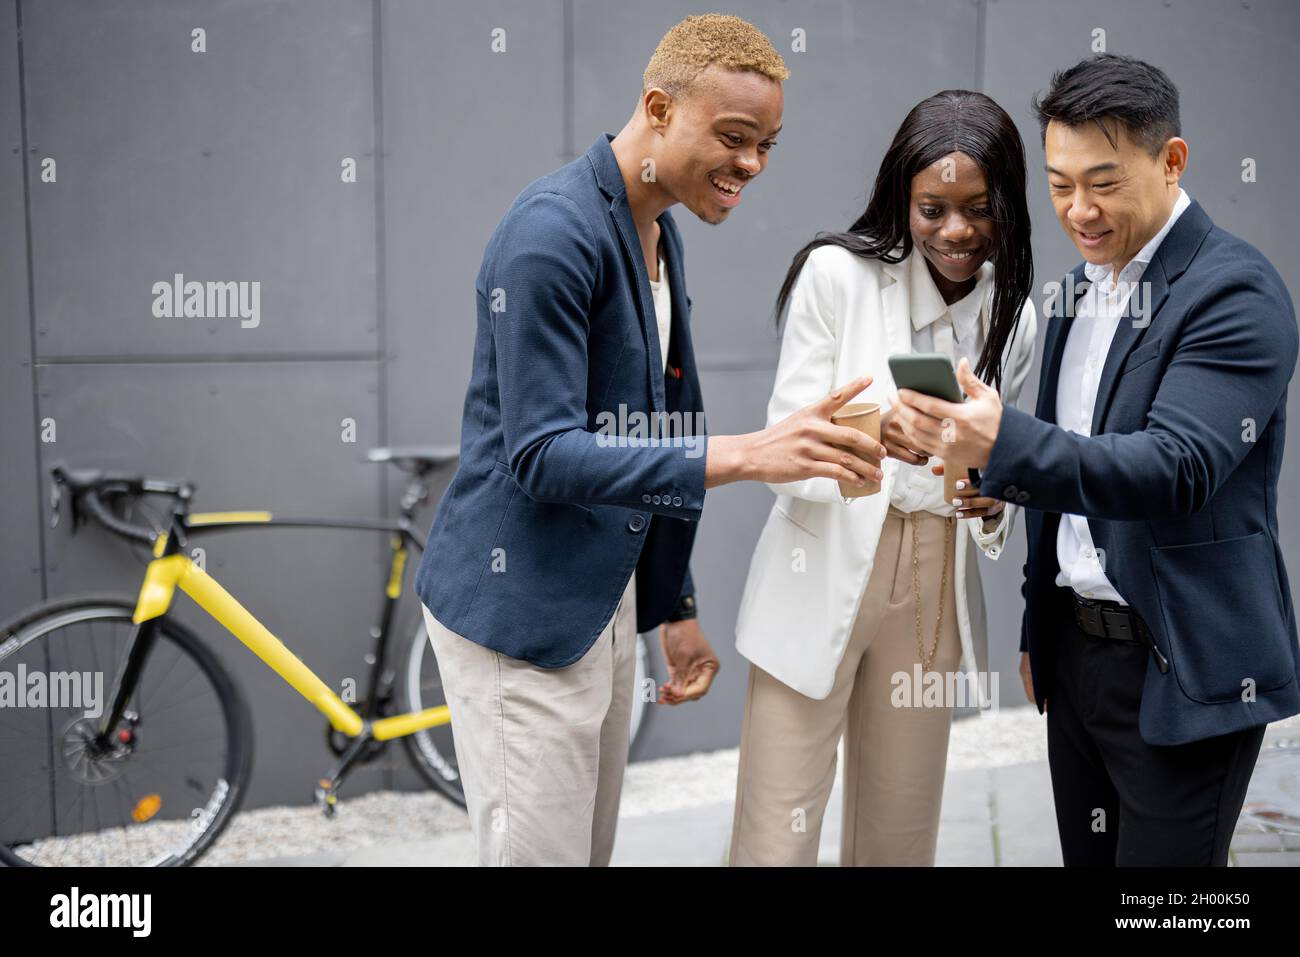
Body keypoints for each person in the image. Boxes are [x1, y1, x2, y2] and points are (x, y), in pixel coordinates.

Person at [413, 14, 888, 867]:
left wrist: (674, 603)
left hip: (605, 602)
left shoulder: (657, 229)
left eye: (769, 145)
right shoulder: (551, 233)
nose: (752, 165)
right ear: (659, 108)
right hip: (521, 614)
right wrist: (749, 453)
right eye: (735, 137)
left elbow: (660, 424)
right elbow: (543, 454)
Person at [893, 53, 1300, 866]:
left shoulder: (1235, 291)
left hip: (1178, 663)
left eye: (1104, 182)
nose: (1079, 210)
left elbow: (1173, 468)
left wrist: (1001, 437)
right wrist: (1037, 608)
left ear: (1172, 161)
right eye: (1059, 183)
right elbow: (1073, 454)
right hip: (1077, 661)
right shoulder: (1079, 291)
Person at [730, 90, 1038, 866]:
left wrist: (997, 489)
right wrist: (874, 432)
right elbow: (780, 445)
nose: (957, 230)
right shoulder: (836, 275)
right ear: (902, 198)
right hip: (822, 558)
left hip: (934, 575)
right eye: (933, 207)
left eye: (979, 207)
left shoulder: (1016, 313)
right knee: (776, 833)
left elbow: (1006, 479)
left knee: (900, 835)